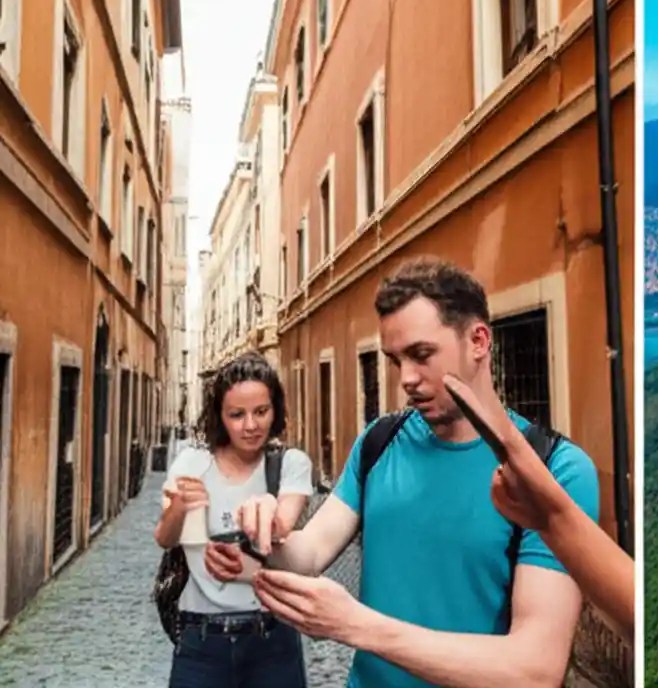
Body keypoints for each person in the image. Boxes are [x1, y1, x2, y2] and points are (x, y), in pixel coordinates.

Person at [205, 257, 599, 688]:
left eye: (421, 355)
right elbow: (309, 554)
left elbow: (535, 669)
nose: (406, 379)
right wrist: (266, 534)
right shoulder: (379, 441)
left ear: (478, 341)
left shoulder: (555, 470)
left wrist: (356, 625)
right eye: (396, 361)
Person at [154, 351, 314, 688]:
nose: (251, 425)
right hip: (201, 638)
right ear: (220, 416)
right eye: (237, 415)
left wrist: (264, 513)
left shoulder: (290, 463)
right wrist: (180, 505)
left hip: (272, 637)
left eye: (261, 411)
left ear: (275, 410)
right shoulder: (192, 463)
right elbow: (165, 538)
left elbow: (284, 524)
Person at [443, 374, 635, 644]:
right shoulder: (386, 439)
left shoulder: (564, 464)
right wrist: (552, 520)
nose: (408, 379)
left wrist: (553, 519)